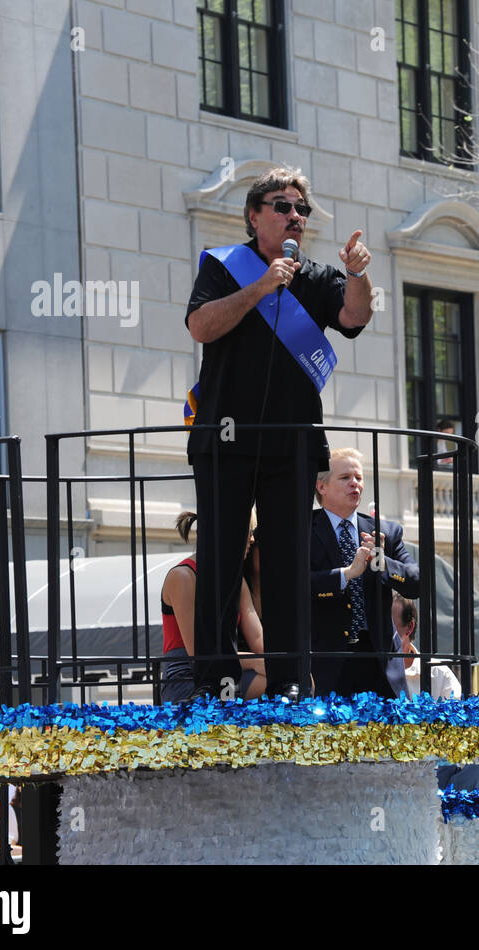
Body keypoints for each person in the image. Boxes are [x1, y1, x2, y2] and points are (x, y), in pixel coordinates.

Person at [185, 165, 374, 699]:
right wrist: (263, 287)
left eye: (302, 209)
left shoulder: (313, 275)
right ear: (254, 215)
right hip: (224, 440)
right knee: (222, 557)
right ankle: (216, 680)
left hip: (291, 443)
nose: (295, 216)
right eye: (282, 206)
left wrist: (359, 273)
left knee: (288, 563)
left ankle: (290, 678)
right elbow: (201, 326)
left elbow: (354, 316)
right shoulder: (225, 268)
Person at [310, 447, 421, 697]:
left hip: (379, 663)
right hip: (326, 663)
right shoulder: (304, 530)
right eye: (345, 478)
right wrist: (346, 574)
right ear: (322, 486)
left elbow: (417, 583)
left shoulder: (386, 532)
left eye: (358, 478)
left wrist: (383, 563)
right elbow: (295, 586)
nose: (355, 484)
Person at [160, 511, 267, 703]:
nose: (251, 538)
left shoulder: (236, 580)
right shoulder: (183, 577)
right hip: (189, 675)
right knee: (275, 682)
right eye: (247, 530)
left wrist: (283, 664)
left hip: (229, 669)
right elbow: (198, 654)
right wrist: (257, 661)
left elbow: (259, 641)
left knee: (295, 678)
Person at [395, 594, 461, 698]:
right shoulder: (372, 670)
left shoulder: (439, 673)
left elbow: (459, 710)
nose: (383, 632)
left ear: (409, 627)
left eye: (391, 625)